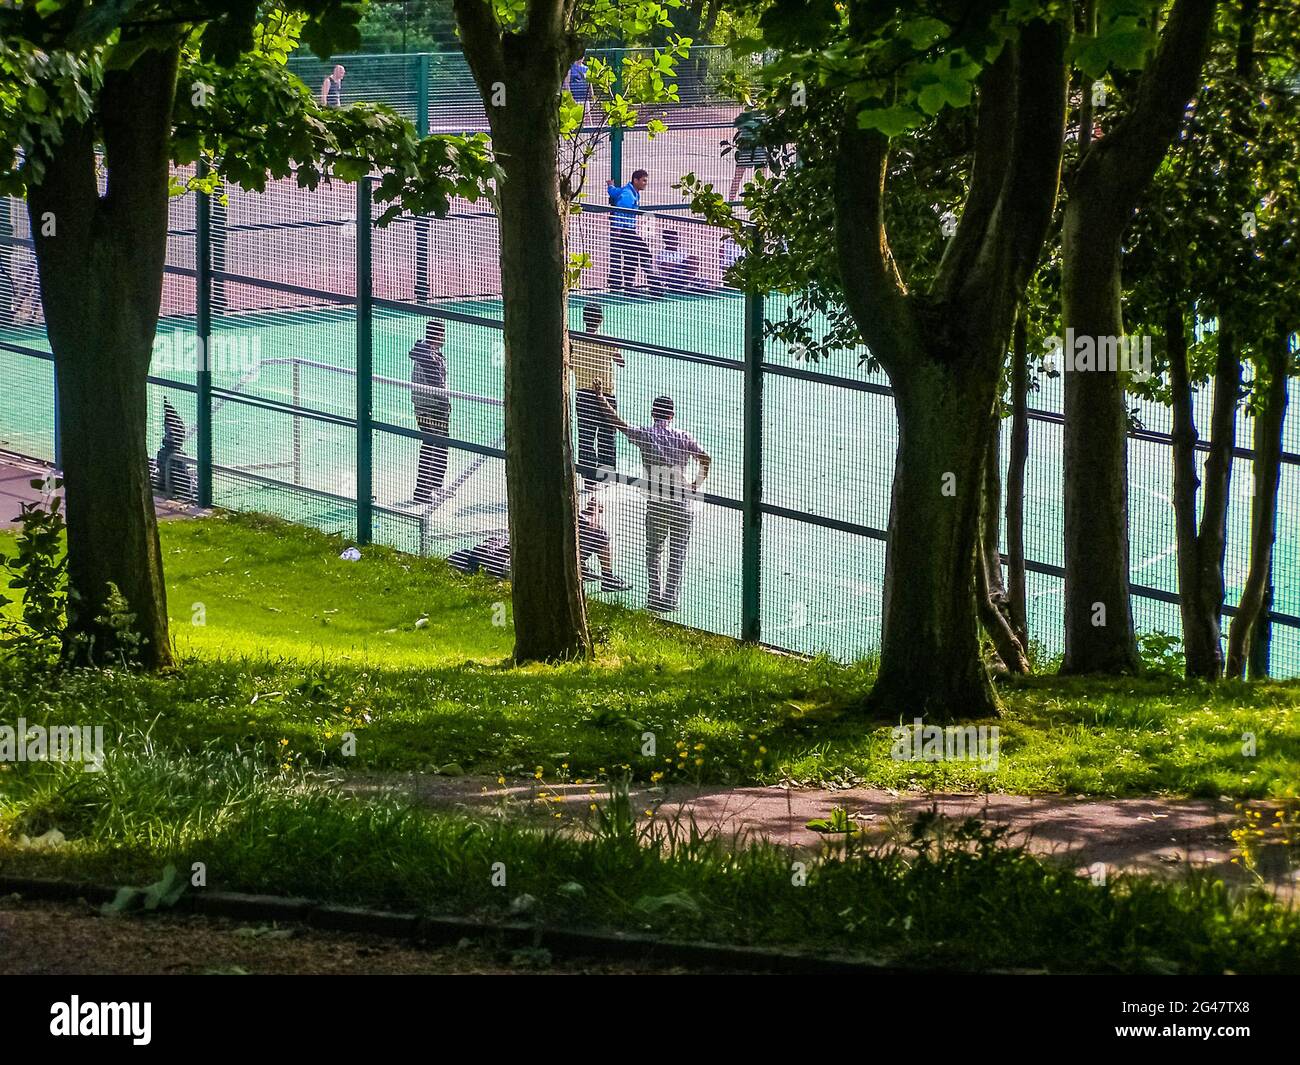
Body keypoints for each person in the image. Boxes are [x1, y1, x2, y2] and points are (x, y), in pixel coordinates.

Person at [594, 390, 710, 613]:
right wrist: (696, 483)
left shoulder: (645, 435)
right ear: (672, 415)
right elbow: (705, 458)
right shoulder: (683, 436)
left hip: (657, 499)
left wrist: (601, 398)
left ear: (652, 413)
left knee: (654, 550)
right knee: (678, 552)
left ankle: (653, 596)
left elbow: (619, 423)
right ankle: (670, 600)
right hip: (682, 499)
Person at [447, 495, 631, 592]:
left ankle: (596, 573)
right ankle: (599, 574)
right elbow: (586, 524)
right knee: (598, 531)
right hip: (522, 564)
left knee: (594, 530)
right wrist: (594, 511)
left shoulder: (483, 550)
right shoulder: (484, 554)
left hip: (526, 557)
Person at [570, 302, 625, 483]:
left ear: (584, 319)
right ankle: (607, 475)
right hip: (606, 395)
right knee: (607, 435)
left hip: (583, 394)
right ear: (600, 320)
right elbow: (621, 361)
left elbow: (570, 362)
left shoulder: (575, 339)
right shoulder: (608, 340)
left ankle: (588, 477)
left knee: (586, 435)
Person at [408, 319, 451, 506]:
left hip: (421, 405)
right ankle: (424, 490)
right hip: (433, 408)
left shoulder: (425, 352)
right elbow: (437, 385)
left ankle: (433, 486)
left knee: (435, 443)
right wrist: (446, 404)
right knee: (433, 444)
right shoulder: (429, 358)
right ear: (439, 335)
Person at [606, 170, 652, 291]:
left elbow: (614, 192)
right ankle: (655, 284)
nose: (645, 183)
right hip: (625, 231)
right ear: (635, 180)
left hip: (627, 230)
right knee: (644, 252)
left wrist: (610, 186)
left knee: (630, 258)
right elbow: (621, 211)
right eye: (643, 180)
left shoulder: (628, 190)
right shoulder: (628, 194)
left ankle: (629, 288)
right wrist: (618, 229)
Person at [728, 109, 769, 201]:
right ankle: (759, 201)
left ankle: (731, 201)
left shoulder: (745, 117)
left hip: (751, 150)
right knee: (760, 179)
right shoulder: (763, 117)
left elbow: (739, 127)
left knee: (738, 177)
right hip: (753, 150)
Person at [565, 53, 592, 120]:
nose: (581, 58)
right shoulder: (570, 67)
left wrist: (591, 93)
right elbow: (566, 83)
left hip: (584, 97)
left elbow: (590, 82)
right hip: (574, 96)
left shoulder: (586, 68)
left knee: (587, 115)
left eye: (582, 56)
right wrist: (570, 96)